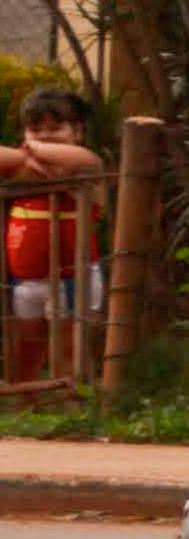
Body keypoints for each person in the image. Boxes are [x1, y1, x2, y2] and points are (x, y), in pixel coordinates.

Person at [4, 87, 103, 359]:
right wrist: (25, 157)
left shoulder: (84, 167)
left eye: (56, 127)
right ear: (24, 131)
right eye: (36, 129)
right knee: (25, 350)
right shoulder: (23, 169)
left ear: (78, 132)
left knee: (70, 351)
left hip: (74, 278)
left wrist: (33, 147)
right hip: (25, 281)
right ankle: (30, 400)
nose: (46, 135)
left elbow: (88, 160)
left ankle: (70, 399)